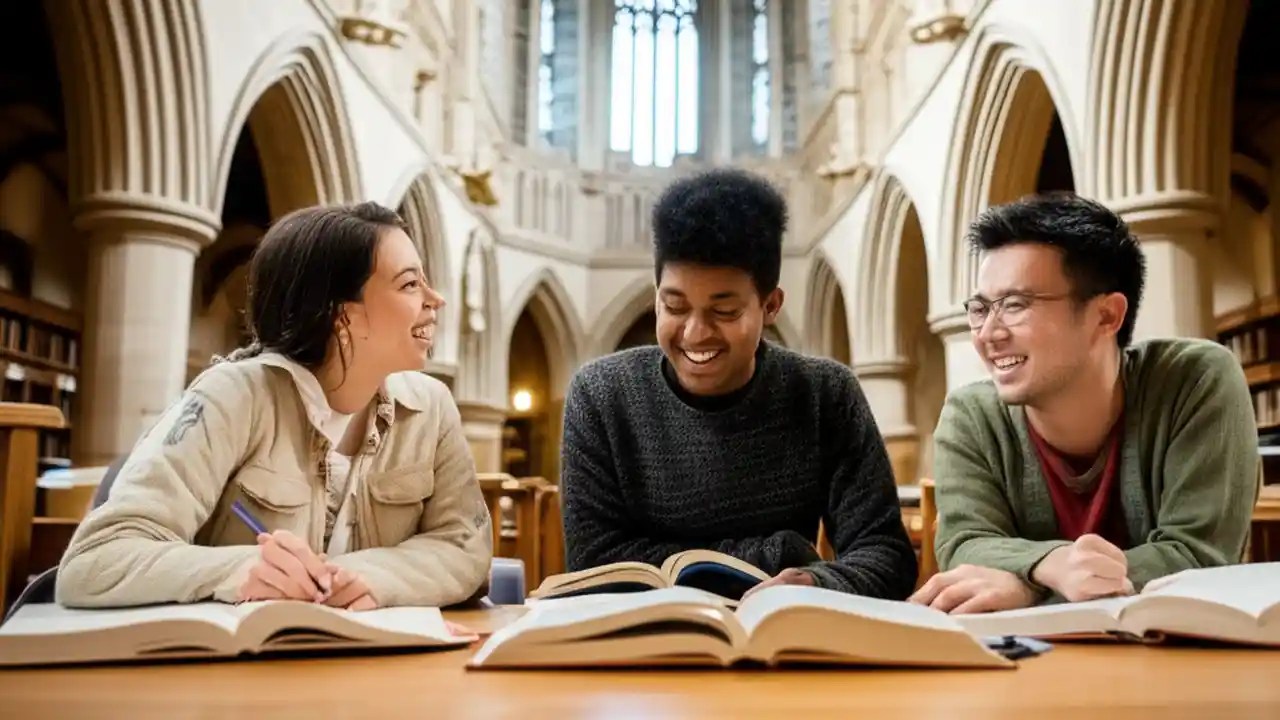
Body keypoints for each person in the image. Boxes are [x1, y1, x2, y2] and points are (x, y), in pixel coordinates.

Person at [56, 202, 493, 610]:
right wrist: (238, 570)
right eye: (410, 284)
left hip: (375, 675)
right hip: (232, 677)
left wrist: (367, 578)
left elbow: (464, 545)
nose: (436, 301)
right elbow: (95, 561)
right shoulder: (233, 397)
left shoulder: (432, 408)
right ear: (342, 315)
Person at [559, 168, 917, 600]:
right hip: (646, 645)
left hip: (782, 641)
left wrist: (816, 581)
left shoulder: (826, 394)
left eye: (724, 312)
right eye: (674, 306)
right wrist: (781, 552)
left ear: (770, 306)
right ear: (656, 295)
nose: (694, 333)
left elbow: (887, 556)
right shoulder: (600, 395)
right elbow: (594, 561)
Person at [909, 193, 1257, 614]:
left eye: (1016, 305)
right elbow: (964, 544)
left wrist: (1029, 586)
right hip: (1032, 669)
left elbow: (1201, 557)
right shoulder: (970, 415)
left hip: (1182, 654)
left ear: (1106, 316)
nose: (988, 333)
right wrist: (1050, 566)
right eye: (981, 309)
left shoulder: (1194, 381)